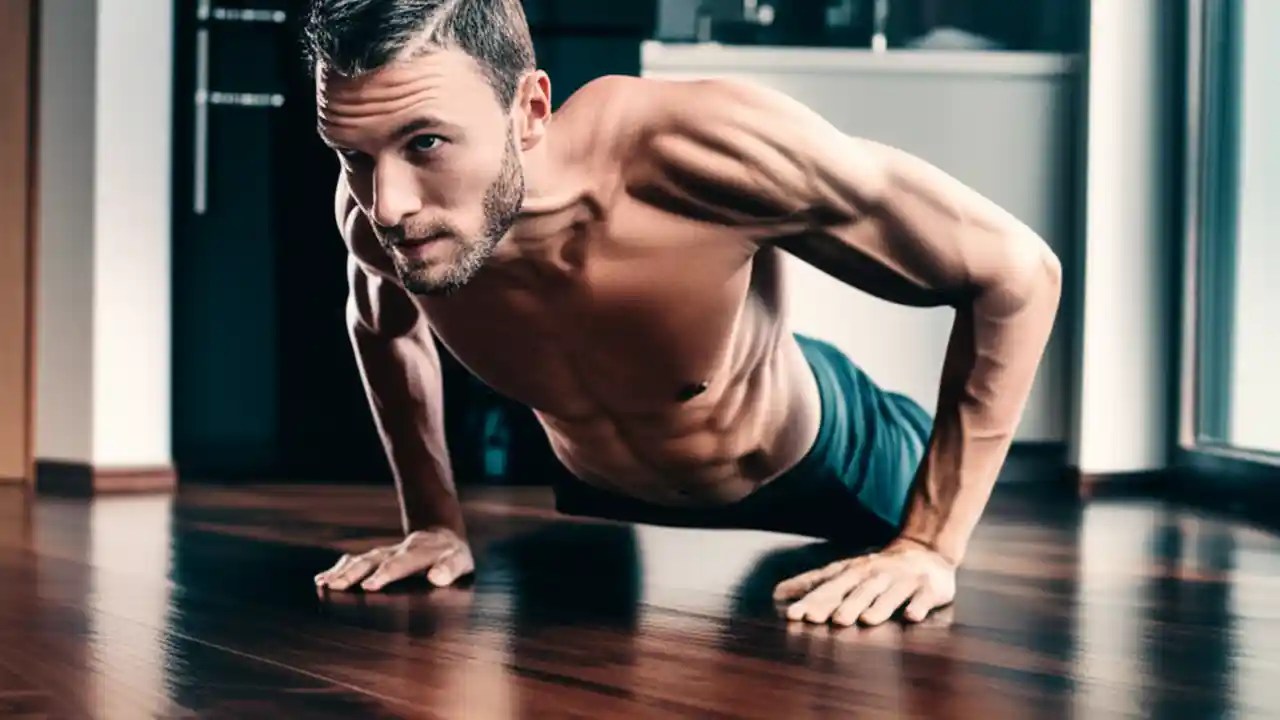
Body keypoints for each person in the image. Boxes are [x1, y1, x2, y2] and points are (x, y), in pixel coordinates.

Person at [305, 0, 1061, 628]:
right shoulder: (380, 219)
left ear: (529, 110)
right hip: (603, 494)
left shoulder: (695, 152)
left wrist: (930, 546)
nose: (387, 205)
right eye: (353, 154)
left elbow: (1019, 274)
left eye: (426, 142)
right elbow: (382, 328)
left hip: (825, 463)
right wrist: (433, 521)